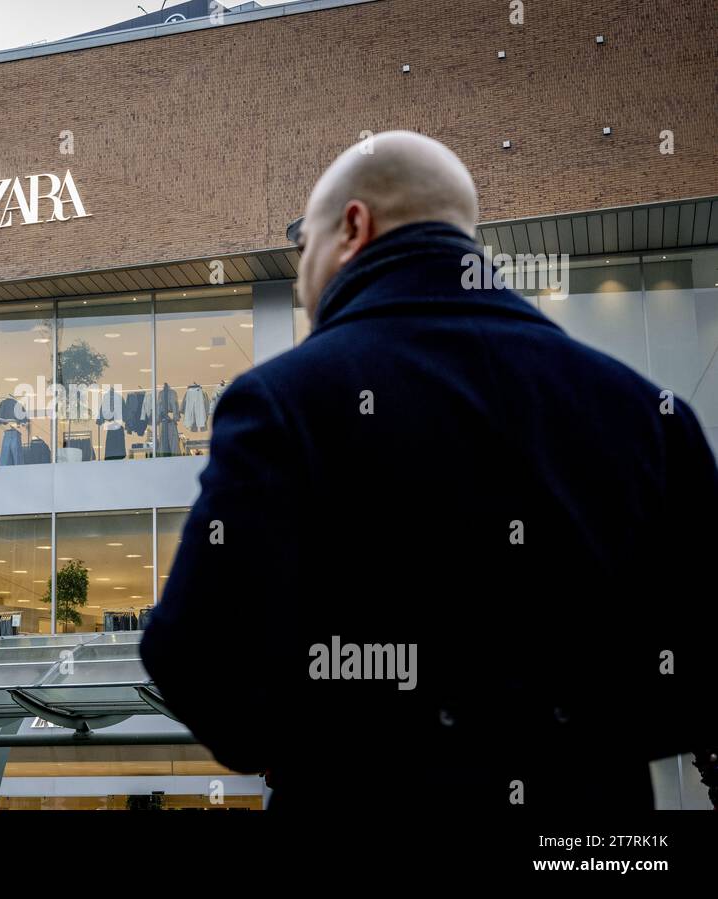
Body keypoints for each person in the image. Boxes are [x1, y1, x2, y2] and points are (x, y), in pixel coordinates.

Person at [140, 132, 718, 812]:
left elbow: (195, 657)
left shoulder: (286, 401)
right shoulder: (651, 416)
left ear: (355, 226)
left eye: (305, 249)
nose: (301, 287)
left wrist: (323, 747)